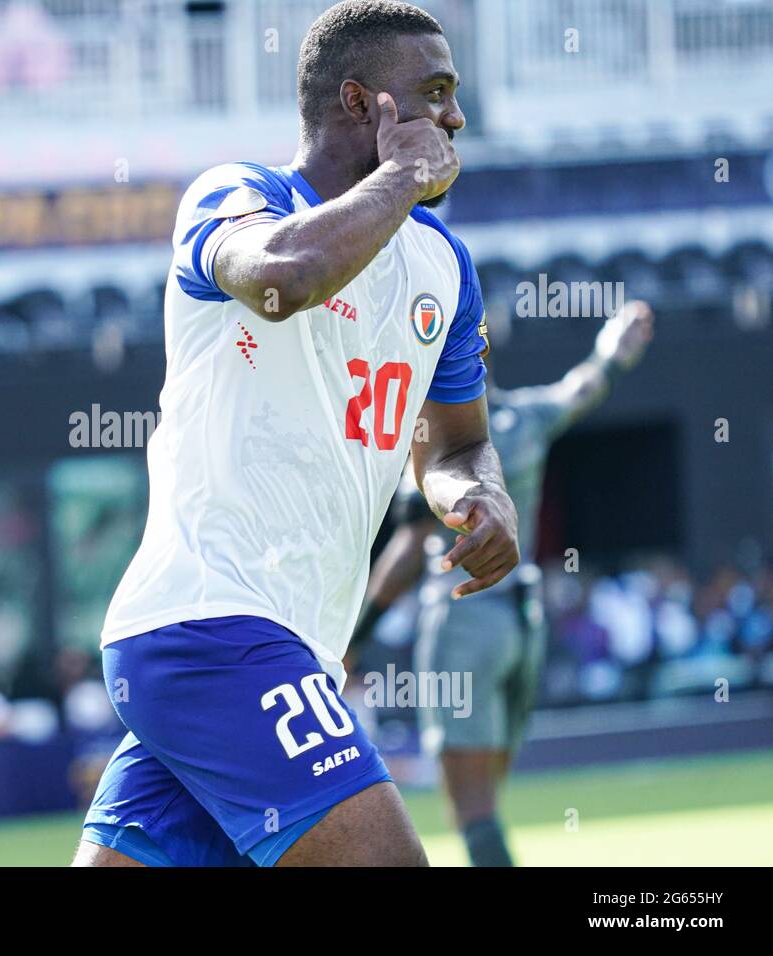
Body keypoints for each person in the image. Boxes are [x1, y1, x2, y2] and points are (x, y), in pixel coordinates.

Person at [74, 0, 519, 867]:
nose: (457, 118)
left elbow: (456, 444)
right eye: (435, 93)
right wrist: (397, 180)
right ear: (364, 106)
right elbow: (282, 280)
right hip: (211, 622)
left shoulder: (444, 266)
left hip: (284, 642)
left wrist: (477, 495)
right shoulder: (240, 195)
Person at [351, 300, 655, 865]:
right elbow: (583, 386)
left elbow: (413, 547)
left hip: (463, 622)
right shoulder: (528, 418)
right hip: (524, 623)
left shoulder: (434, 441)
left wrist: (355, 636)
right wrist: (615, 352)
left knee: (471, 810)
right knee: (488, 797)